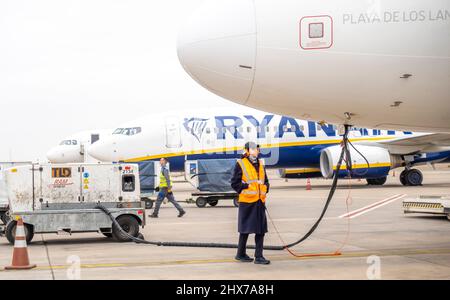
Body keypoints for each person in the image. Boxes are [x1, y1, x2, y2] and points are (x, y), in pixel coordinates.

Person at [231, 142, 270, 265]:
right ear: (247, 150)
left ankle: (258, 256)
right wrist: (246, 186)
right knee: (245, 229)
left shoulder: (261, 163)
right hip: (247, 201)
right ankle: (240, 254)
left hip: (259, 201)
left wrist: (265, 189)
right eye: (254, 149)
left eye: (257, 149)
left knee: (260, 230)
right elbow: (234, 183)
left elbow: (266, 181)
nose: (256, 151)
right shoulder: (241, 163)